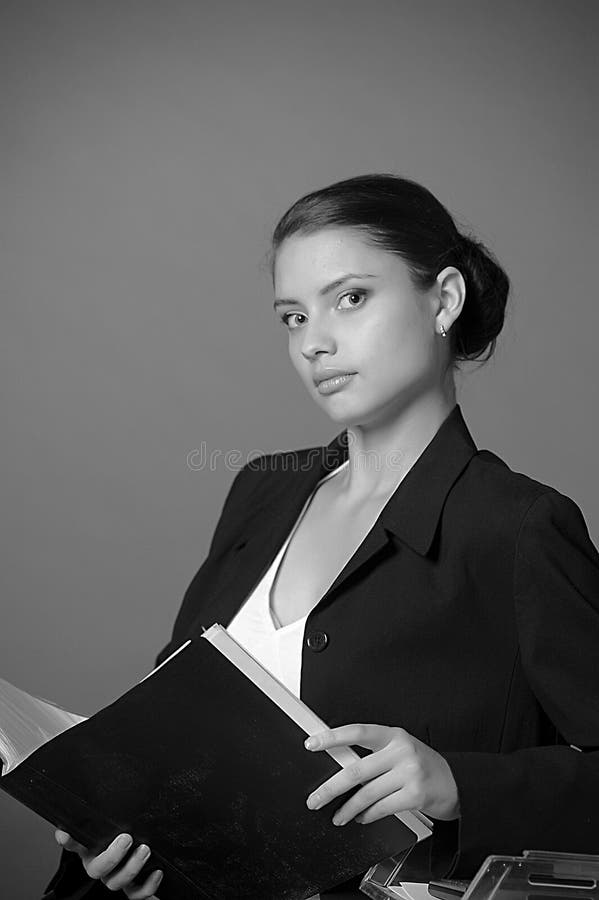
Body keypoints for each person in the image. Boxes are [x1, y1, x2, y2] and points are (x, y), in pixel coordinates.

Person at [42, 174, 599, 899]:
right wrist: (109, 833)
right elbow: (165, 725)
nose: (315, 342)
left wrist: (457, 782)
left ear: (445, 299)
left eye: (351, 298)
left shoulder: (518, 528)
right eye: (291, 317)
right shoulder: (262, 488)